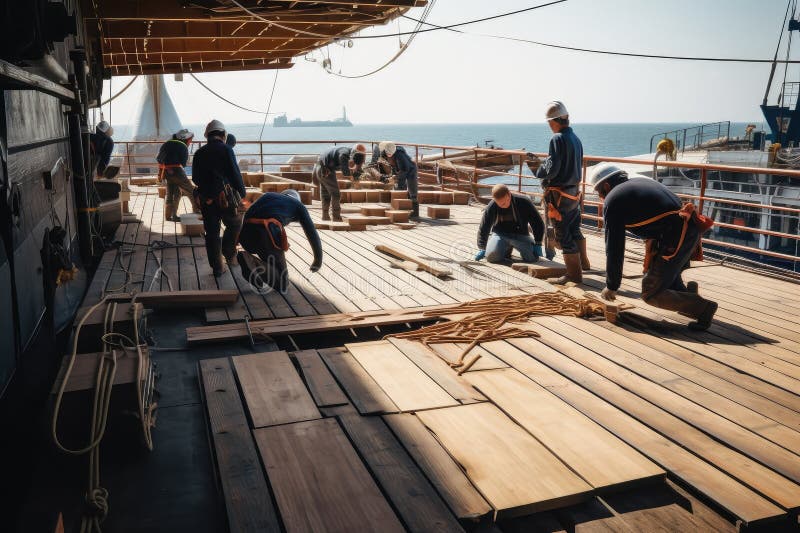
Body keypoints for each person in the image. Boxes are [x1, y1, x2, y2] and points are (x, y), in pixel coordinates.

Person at [589, 163, 718, 331]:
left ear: (606, 186)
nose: (601, 198)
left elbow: (614, 247)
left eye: (599, 193)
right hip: (685, 230)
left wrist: (612, 285)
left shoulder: (613, 200)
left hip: (676, 237)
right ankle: (689, 295)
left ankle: (703, 308)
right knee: (663, 277)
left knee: (651, 291)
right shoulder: (639, 182)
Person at [535, 101, 590, 284]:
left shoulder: (557, 139)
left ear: (553, 121)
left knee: (563, 233)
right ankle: (584, 263)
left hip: (559, 196)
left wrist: (539, 170)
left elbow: (552, 168)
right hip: (573, 194)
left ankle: (574, 275)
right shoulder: (576, 138)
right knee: (574, 227)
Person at [238, 189, 323, 292]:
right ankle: (251, 262)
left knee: (270, 258)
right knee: (282, 282)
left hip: (245, 236)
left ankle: (251, 265)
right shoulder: (298, 205)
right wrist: (317, 261)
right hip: (265, 233)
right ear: (297, 200)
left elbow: (248, 214)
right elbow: (312, 233)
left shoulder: (268, 195)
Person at [192, 119, 246, 276]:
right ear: (223, 134)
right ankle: (228, 252)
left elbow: (196, 178)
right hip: (226, 198)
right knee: (235, 223)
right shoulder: (227, 150)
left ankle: (217, 268)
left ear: (207, 136)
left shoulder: (199, 153)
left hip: (207, 199)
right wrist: (241, 193)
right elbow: (234, 174)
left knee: (212, 233)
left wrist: (209, 190)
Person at [475, 184, 545, 263]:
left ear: (509, 194)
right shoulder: (492, 205)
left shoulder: (524, 201)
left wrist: (538, 242)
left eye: (505, 202)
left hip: (521, 235)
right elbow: (484, 226)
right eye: (500, 204)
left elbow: (537, 223)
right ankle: (506, 249)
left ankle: (513, 247)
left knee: (532, 258)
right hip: (500, 235)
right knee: (491, 258)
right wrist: (482, 247)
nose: (504, 206)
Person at [312, 144, 367, 221]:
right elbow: (345, 173)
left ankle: (325, 216)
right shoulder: (344, 155)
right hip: (325, 169)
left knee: (326, 193)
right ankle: (336, 217)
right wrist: (354, 180)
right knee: (336, 194)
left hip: (322, 166)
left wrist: (357, 169)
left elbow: (356, 164)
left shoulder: (348, 151)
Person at [157, 128, 199, 221]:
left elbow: (159, 159)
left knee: (173, 192)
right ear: (185, 139)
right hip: (177, 171)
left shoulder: (166, 144)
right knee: (191, 191)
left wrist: (161, 173)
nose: (190, 142)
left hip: (166, 171)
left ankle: (169, 216)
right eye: (190, 140)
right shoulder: (182, 146)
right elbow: (183, 163)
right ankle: (197, 212)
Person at [379, 141, 419, 219]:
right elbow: (394, 168)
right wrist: (393, 177)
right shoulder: (390, 155)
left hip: (411, 170)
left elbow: (404, 169)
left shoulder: (399, 155)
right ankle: (402, 210)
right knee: (399, 189)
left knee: (412, 191)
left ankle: (415, 213)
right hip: (402, 171)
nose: (387, 161)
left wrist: (396, 177)